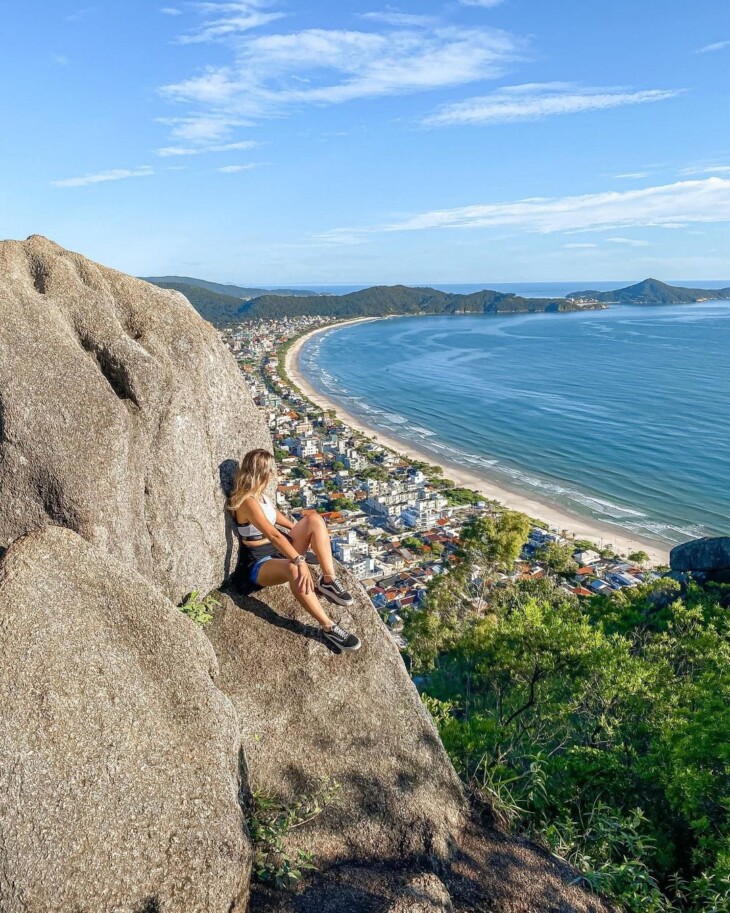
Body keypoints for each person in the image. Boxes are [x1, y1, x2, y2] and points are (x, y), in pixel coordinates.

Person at [228, 449, 361, 652]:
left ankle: (328, 580)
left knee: (314, 520)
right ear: (263, 473)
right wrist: (299, 560)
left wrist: (294, 526)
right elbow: (273, 535)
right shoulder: (248, 502)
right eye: (271, 470)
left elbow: (273, 515)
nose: (274, 474)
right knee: (294, 569)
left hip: (274, 549)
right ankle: (329, 627)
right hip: (257, 563)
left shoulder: (259, 495)